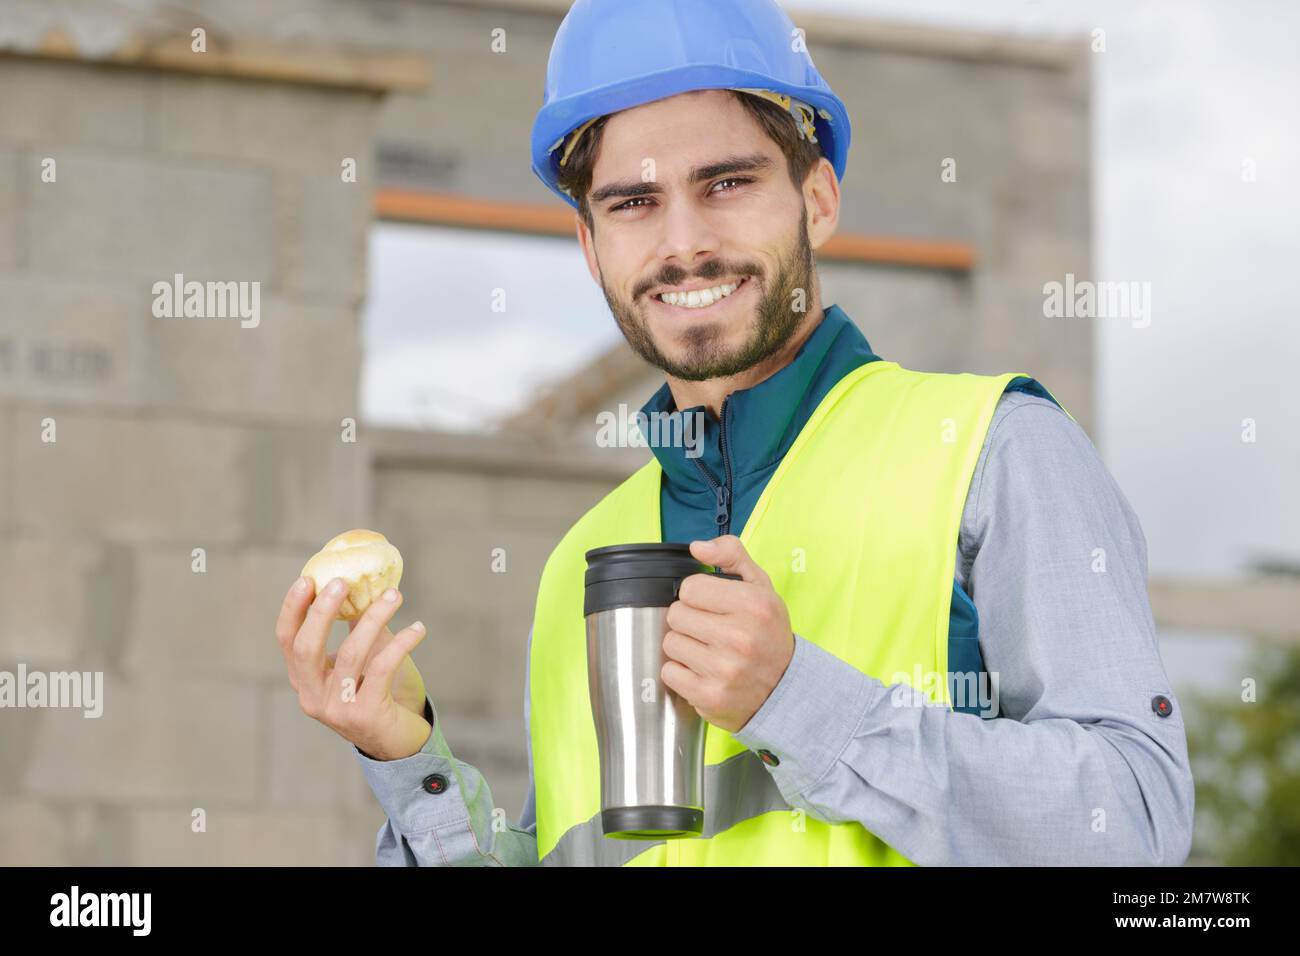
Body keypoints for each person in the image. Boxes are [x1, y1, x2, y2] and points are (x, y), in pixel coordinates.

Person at [274, 0, 1193, 866]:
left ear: (819, 197)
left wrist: (799, 701)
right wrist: (408, 758)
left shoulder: (996, 452)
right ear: (592, 248)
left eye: (727, 182)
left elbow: (1137, 820)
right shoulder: (582, 563)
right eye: (633, 202)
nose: (684, 242)